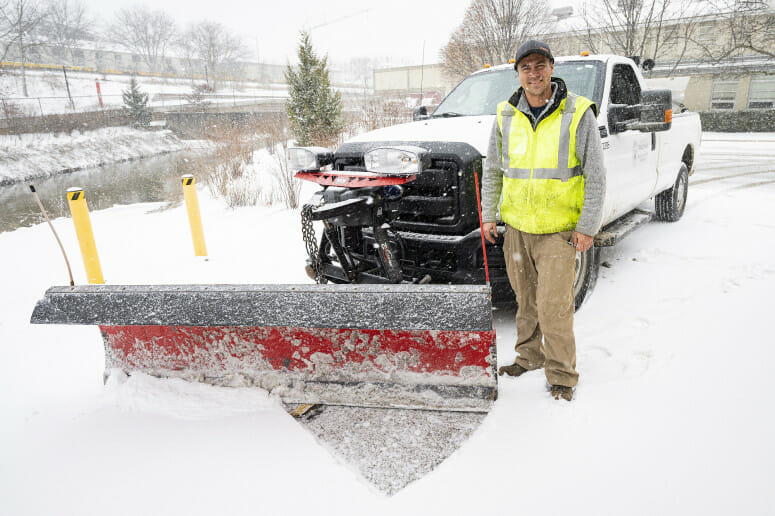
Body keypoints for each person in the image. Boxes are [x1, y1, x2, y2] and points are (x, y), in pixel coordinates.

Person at [481, 40, 606, 402]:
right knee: (526, 301)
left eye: (540, 66)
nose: (533, 74)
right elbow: (493, 169)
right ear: (517, 73)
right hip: (517, 227)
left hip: (558, 229)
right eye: (526, 68)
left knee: (554, 307)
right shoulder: (506, 114)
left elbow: (596, 175)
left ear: (551, 68)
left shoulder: (578, 113)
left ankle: (563, 376)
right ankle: (528, 357)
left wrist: (587, 226)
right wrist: (490, 215)